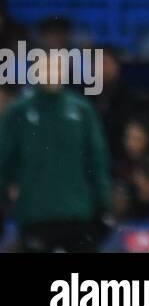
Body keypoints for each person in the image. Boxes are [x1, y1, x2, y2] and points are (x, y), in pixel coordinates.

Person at [0, 50, 112, 252]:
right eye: (46, 67)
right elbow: (4, 160)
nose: (52, 73)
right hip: (35, 213)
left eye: (57, 67)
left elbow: (97, 159)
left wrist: (103, 202)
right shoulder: (18, 111)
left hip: (78, 213)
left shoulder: (82, 109)